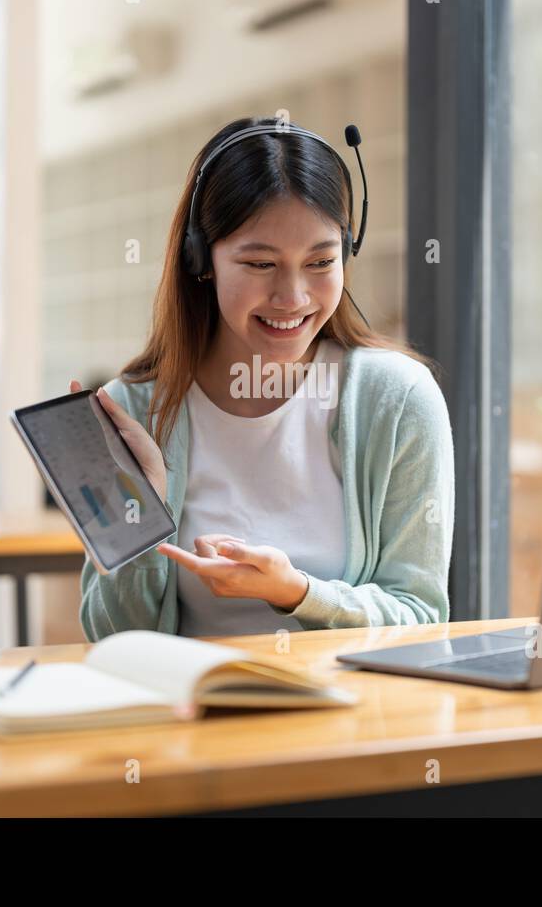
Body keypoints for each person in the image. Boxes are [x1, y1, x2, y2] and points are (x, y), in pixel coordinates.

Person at [68, 116, 455, 639]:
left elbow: (421, 616)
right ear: (200, 261)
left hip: (351, 714)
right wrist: (141, 516)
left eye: (321, 261)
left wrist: (296, 593)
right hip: (189, 713)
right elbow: (110, 639)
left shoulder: (399, 399)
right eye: (260, 264)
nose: (292, 297)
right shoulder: (133, 412)